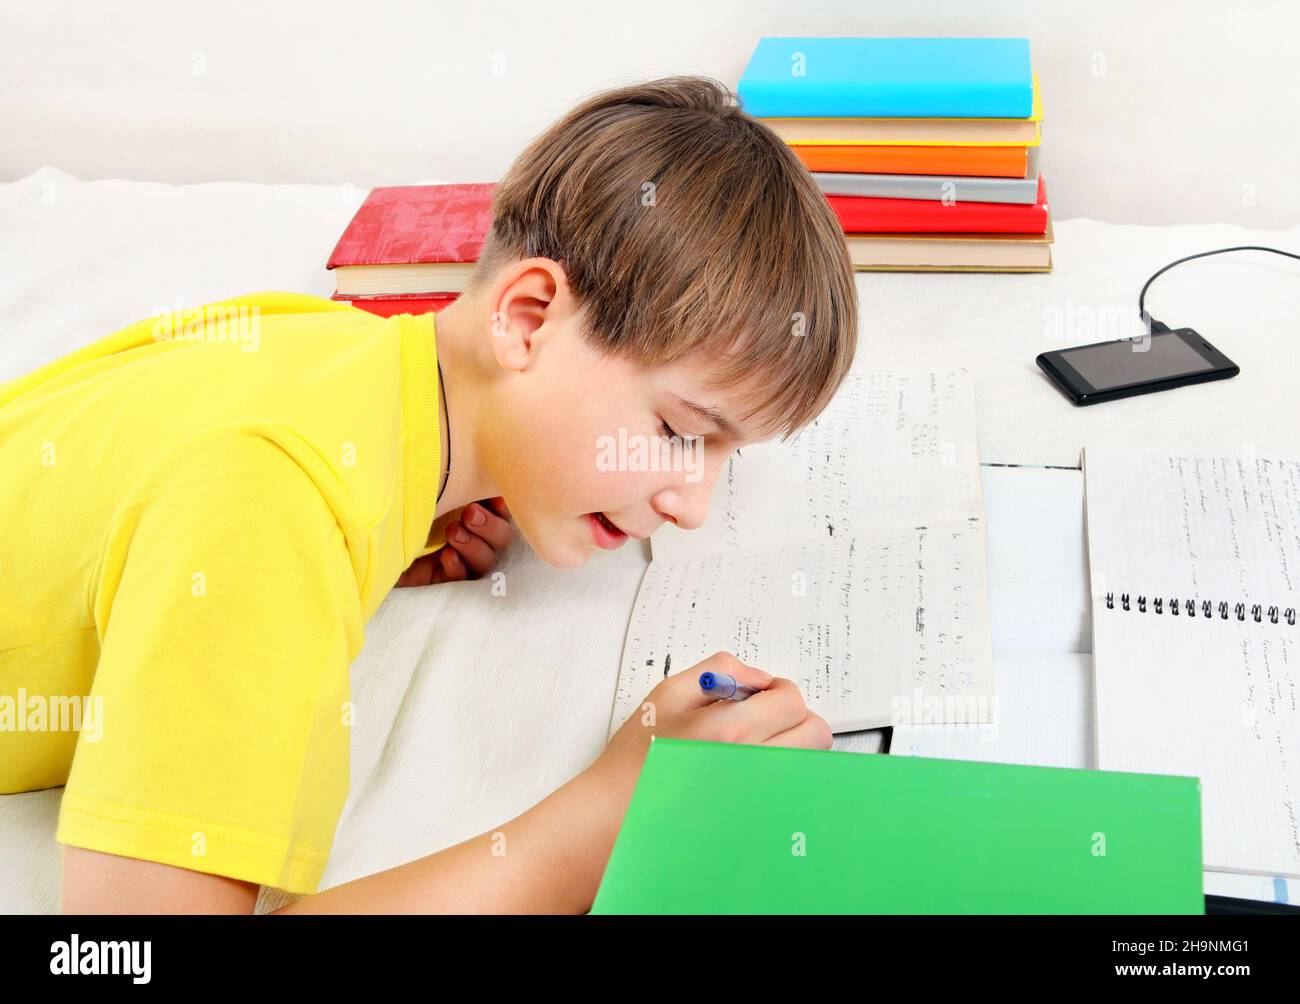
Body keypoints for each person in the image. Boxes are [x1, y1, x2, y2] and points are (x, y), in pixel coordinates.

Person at [0, 75, 858, 913]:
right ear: (526, 318)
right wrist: (612, 816)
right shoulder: (272, 503)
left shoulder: (332, 347)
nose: (691, 506)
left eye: (726, 458)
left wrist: (425, 515)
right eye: (677, 432)